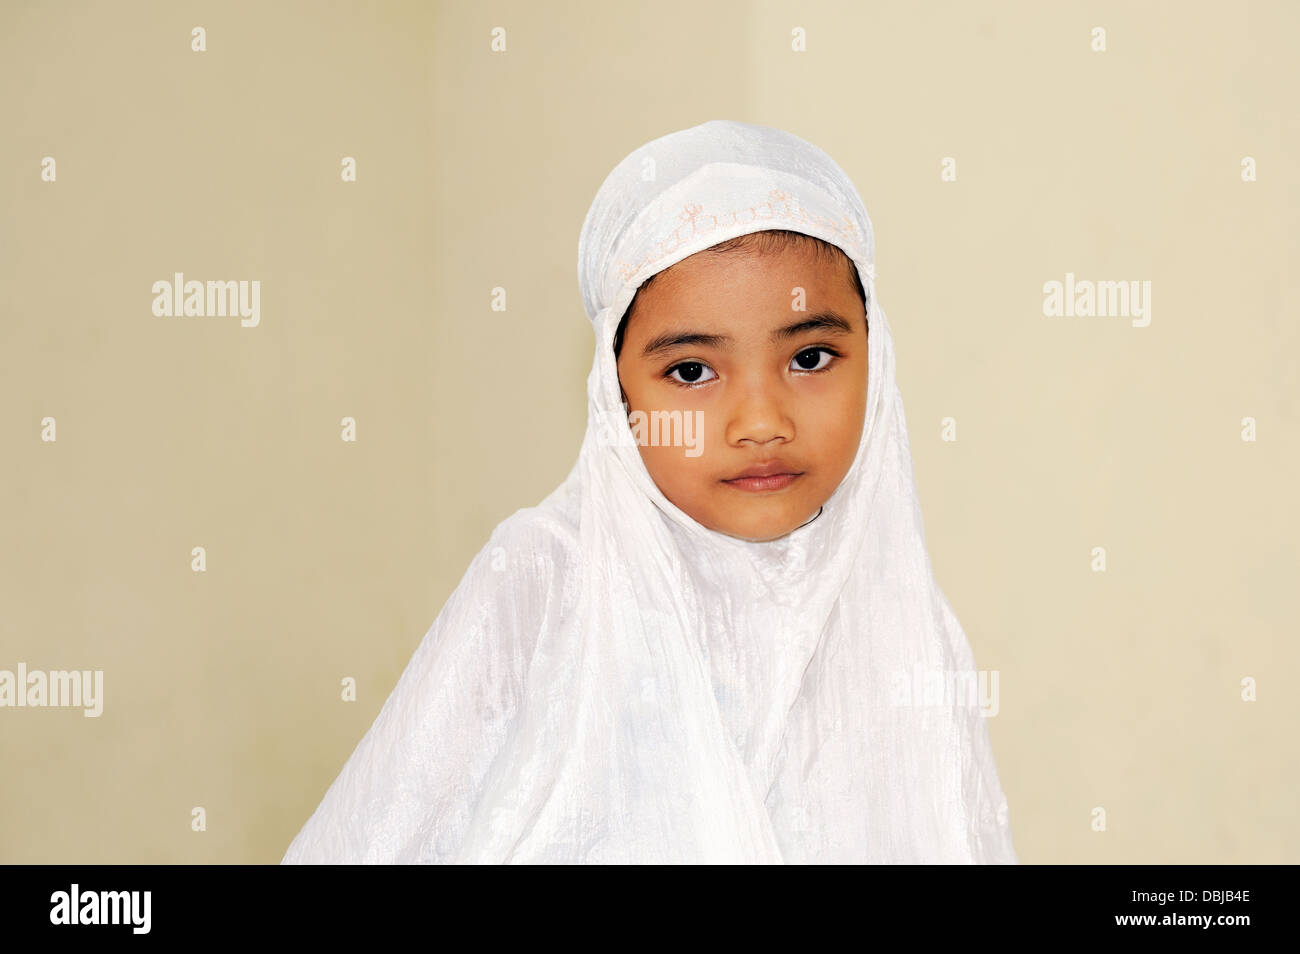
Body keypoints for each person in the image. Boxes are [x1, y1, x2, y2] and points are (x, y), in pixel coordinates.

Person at [281, 119, 1019, 864]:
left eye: (812, 356)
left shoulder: (901, 615)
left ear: (878, 362)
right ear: (614, 391)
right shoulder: (546, 577)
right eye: (692, 372)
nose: (761, 423)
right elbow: (379, 834)